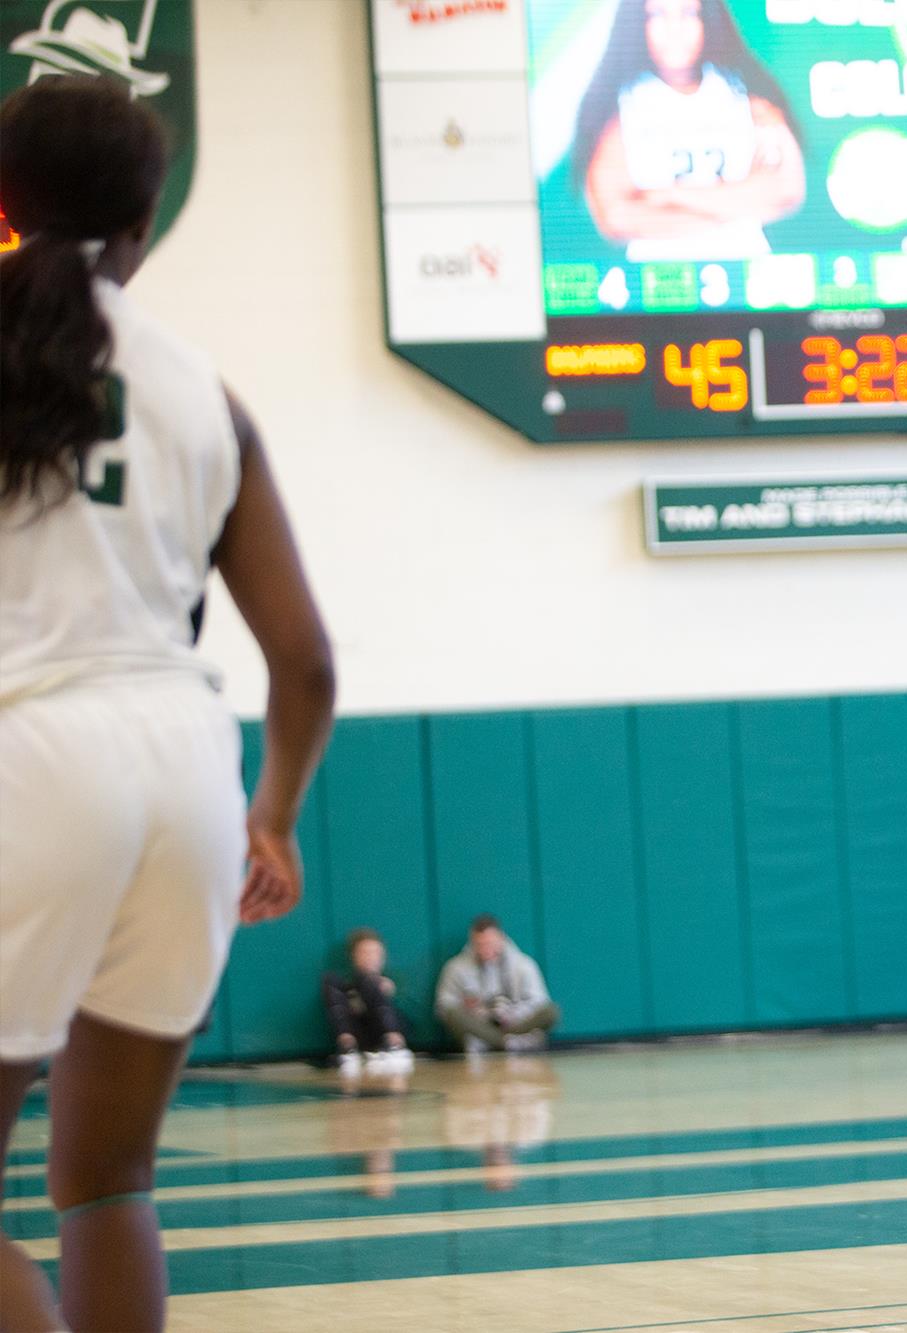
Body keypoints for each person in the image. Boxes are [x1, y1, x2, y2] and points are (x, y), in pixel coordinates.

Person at [0, 78, 336, 1333]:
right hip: (188, 767)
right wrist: (276, 818)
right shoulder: (209, 392)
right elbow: (305, 662)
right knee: (106, 1182)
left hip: (28, 749)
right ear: (147, 221)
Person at [577, 0, 805, 258]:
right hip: (656, 282)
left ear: (707, 20)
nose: (674, 29)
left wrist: (668, 195)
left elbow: (786, 189)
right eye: (658, 15)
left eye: (688, 14)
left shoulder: (751, 102)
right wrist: (733, 207)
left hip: (747, 272)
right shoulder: (620, 110)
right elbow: (615, 217)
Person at [434, 916, 561, 1053]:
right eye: (479, 944)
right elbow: (443, 1006)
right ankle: (504, 1043)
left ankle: (500, 1041)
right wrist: (473, 1011)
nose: (485, 950)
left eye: (489, 943)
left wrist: (512, 1015)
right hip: (479, 1028)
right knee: (452, 1013)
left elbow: (539, 1001)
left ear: (501, 939)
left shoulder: (524, 965)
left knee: (551, 1011)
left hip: (516, 1025)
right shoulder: (455, 967)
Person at [323, 928, 414, 1077]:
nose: (370, 957)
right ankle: (348, 1048)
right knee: (332, 981)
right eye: (364, 952)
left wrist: (384, 991)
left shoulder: (394, 979)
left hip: (390, 1029)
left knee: (369, 981)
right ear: (353, 955)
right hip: (359, 1033)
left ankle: (394, 1044)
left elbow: (410, 1016)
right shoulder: (344, 983)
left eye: (375, 953)